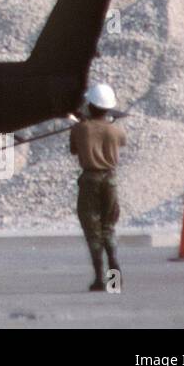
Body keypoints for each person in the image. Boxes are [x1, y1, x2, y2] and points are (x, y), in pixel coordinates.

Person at [70, 83, 126, 291]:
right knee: (108, 227)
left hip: (89, 180)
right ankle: (114, 277)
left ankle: (99, 279)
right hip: (110, 180)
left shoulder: (80, 129)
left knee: (92, 230)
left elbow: (74, 150)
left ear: (90, 105)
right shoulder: (116, 131)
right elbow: (121, 142)